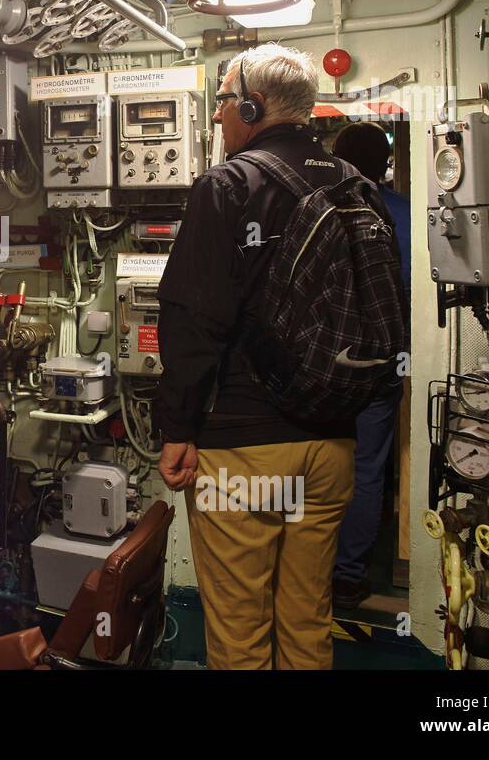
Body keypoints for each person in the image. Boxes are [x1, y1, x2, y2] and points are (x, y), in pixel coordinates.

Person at [153, 43, 357, 669]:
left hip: (243, 454)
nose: (216, 117)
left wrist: (177, 428)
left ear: (251, 104)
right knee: (306, 620)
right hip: (330, 449)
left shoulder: (228, 185)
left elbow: (195, 318)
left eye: (221, 101)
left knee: (239, 636)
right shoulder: (352, 184)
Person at [329, 122, 409, 608]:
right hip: (382, 362)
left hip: (319, 367)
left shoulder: (312, 208)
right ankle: (350, 575)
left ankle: (305, 566)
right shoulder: (405, 213)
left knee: (315, 460)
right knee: (365, 467)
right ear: (386, 164)